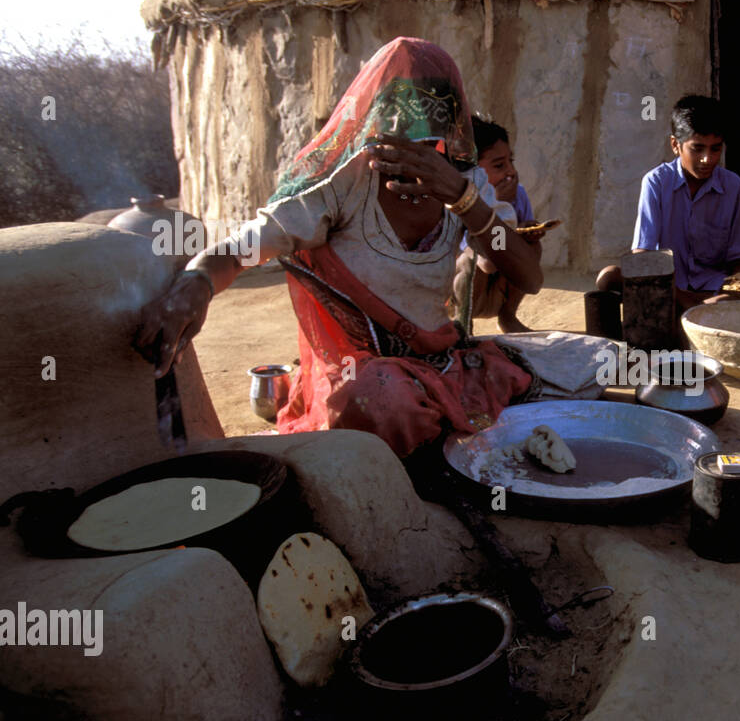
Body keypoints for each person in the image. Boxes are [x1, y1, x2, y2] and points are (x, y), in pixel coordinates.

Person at [133, 37, 543, 462]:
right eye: (403, 123)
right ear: (377, 117)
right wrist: (198, 280)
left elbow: (529, 277)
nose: (416, 146)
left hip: (441, 360)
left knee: (552, 373)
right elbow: (244, 248)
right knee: (384, 398)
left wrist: (460, 196)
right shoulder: (345, 185)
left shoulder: (463, 184)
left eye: (431, 125)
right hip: (362, 374)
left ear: (450, 122)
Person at [594, 95, 740, 314]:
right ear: (675, 145)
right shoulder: (656, 182)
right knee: (608, 277)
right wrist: (679, 295)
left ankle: (695, 311)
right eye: (697, 148)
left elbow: (737, 260)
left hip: (713, 291)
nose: (707, 159)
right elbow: (642, 256)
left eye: (715, 149)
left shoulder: (734, 186)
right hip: (667, 287)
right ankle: (693, 310)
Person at [452, 115, 546, 333]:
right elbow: (487, 262)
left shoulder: (518, 195)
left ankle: (507, 316)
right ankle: (462, 326)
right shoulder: (462, 198)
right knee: (469, 260)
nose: (510, 171)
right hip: (461, 294)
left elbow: (513, 250)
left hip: (498, 290)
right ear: (473, 171)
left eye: (510, 162)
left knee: (531, 247)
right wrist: (499, 204)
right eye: (499, 165)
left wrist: (528, 234)